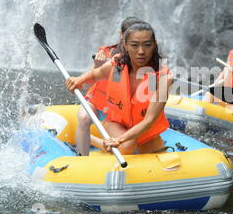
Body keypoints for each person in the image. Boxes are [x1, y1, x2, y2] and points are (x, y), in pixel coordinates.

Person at [66, 22, 173, 155]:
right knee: (127, 146)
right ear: (125, 46)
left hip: (145, 129)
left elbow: (149, 120)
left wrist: (119, 140)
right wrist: (79, 80)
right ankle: (102, 141)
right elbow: (95, 74)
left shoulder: (162, 78)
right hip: (117, 122)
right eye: (134, 45)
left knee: (153, 159)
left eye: (147, 45)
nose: (141, 51)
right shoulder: (118, 65)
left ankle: (94, 140)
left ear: (154, 45)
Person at [75, 17, 143, 156]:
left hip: (120, 110)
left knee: (127, 147)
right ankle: (81, 159)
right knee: (83, 117)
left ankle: (93, 140)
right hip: (98, 102)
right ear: (121, 35)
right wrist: (97, 66)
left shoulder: (143, 56)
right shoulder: (106, 52)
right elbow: (88, 82)